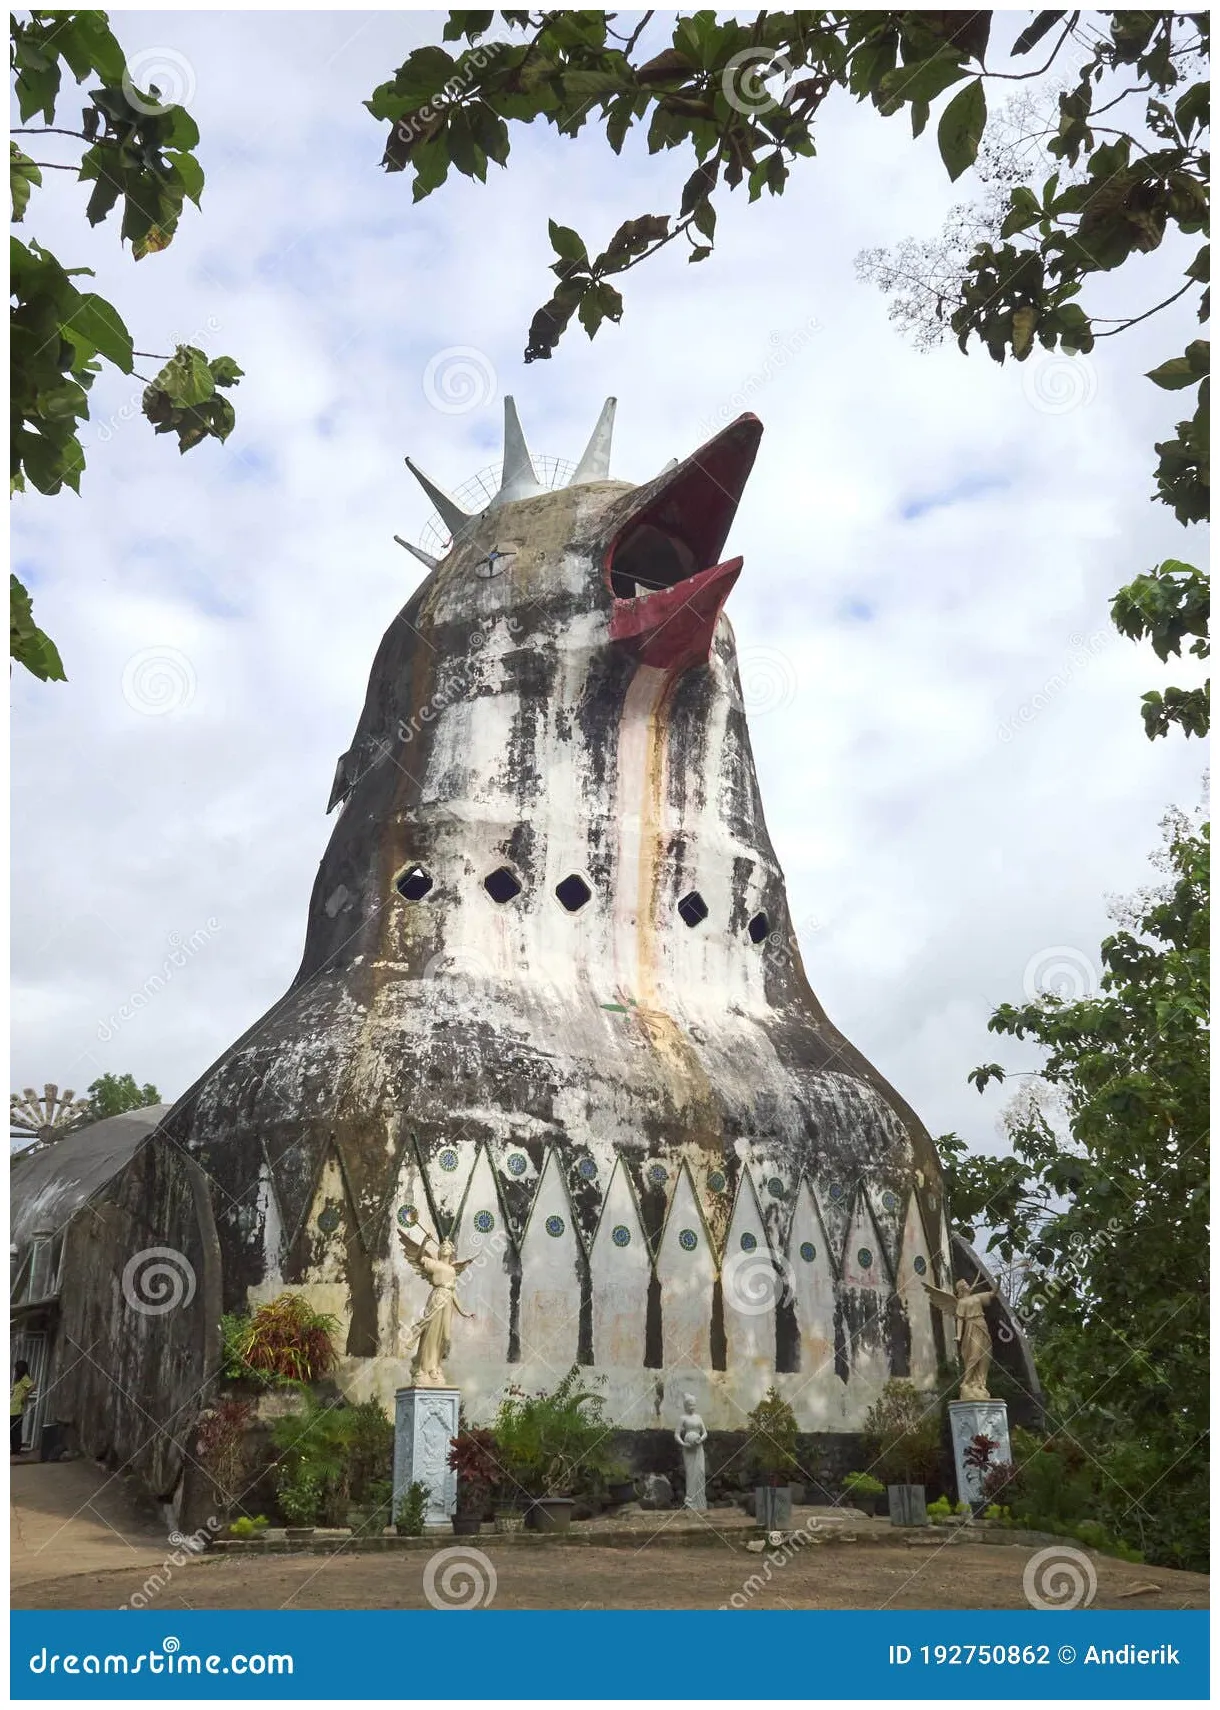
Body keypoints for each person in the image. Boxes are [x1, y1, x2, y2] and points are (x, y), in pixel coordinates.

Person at [10, 1361, 35, 1456]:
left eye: (16, 1369)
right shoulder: (18, 1380)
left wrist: (25, 1395)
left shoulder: (24, 1378)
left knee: (15, 1431)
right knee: (11, 1431)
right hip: (11, 1409)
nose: (15, 1371)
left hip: (17, 1409)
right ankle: (14, 1450)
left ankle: (17, 1451)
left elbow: (33, 1386)